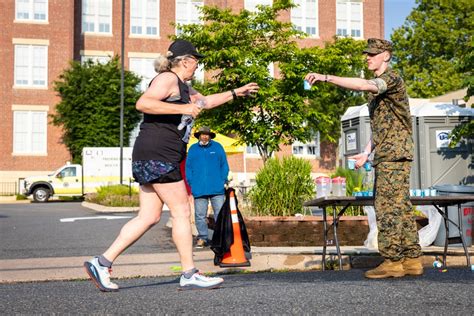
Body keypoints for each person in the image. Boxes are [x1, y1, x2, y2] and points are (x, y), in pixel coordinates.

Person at [84, 39, 259, 292]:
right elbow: (143, 103)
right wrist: (185, 108)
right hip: (159, 154)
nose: (197, 67)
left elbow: (206, 102)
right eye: (196, 62)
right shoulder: (167, 79)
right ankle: (189, 273)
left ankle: (101, 263)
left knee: (149, 216)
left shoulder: (185, 87)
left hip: (153, 154)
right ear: (185, 61)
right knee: (182, 212)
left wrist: (235, 93)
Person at [305, 38, 423, 279]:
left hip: (393, 154)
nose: (368, 57)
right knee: (400, 206)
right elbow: (384, 126)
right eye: (366, 54)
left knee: (387, 207)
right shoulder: (379, 92)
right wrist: (367, 151)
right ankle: (411, 260)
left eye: (373, 54)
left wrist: (326, 77)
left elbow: (363, 85)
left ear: (386, 56)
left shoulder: (391, 78)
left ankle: (392, 261)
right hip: (391, 152)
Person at [185, 126, 229, 248]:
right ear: (199, 136)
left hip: (217, 188)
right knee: (199, 215)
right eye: (202, 134)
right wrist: (191, 182)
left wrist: (223, 180)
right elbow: (188, 168)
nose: (204, 136)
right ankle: (203, 238)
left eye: (206, 134)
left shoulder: (218, 147)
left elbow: (224, 165)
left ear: (210, 136)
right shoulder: (193, 149)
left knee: (220, 214)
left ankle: (220, 238)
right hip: (199, 188)